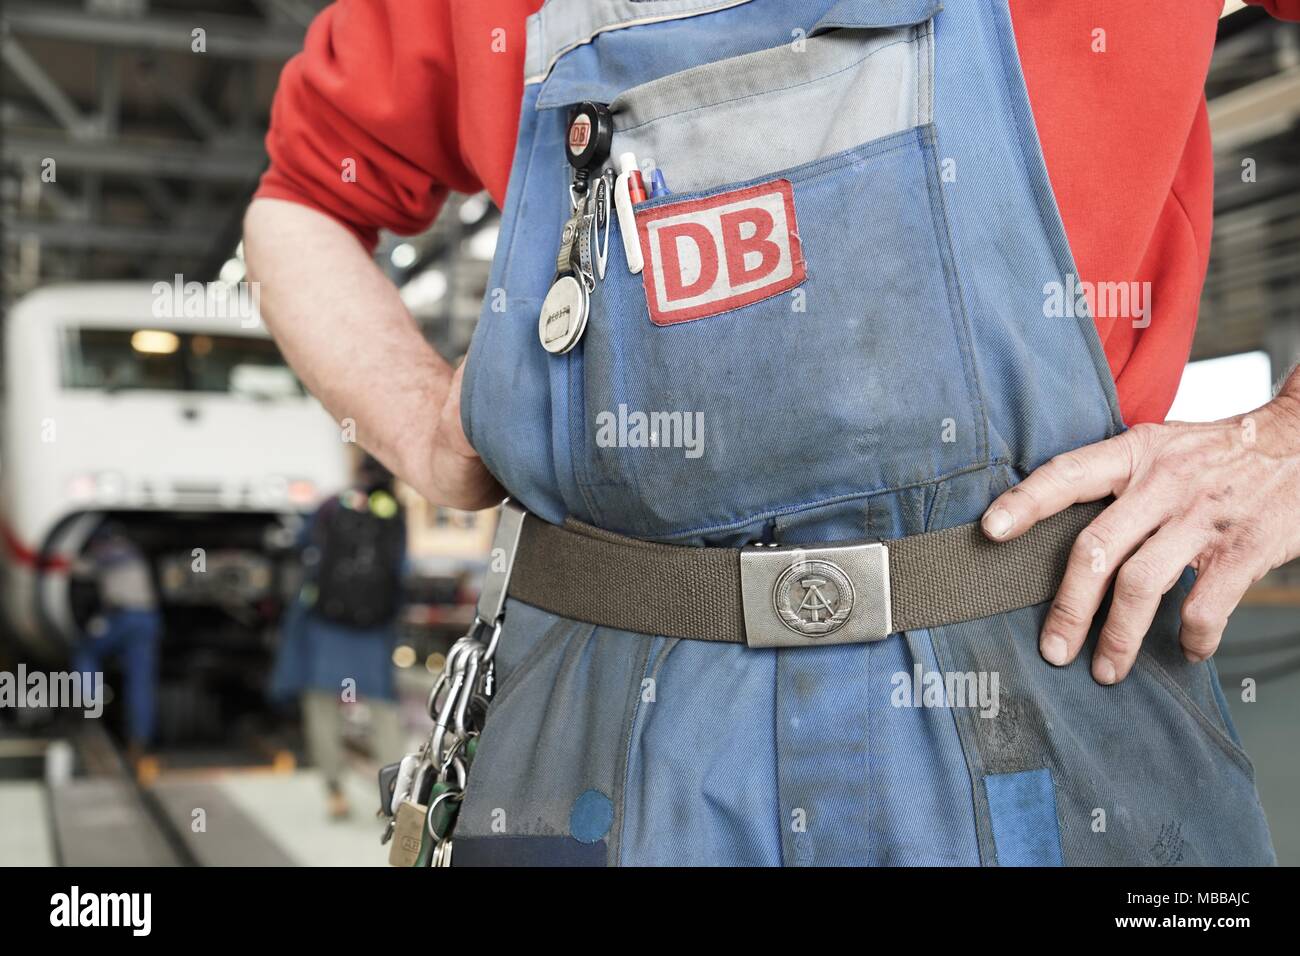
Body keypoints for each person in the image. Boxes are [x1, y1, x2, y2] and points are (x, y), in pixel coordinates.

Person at [244, 1, 1300, 865]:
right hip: (600, 725)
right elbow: (300, 201)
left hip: (1054, 684)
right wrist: (430, 432)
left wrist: (1284, 441)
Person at [271, 455, 407, 819]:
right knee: (383, 711)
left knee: (321, 706)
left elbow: (302, 546)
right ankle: (395, 796)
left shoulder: (332, 505)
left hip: (326, 626)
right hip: (374, 630)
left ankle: (335, 793)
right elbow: (401, 571)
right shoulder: (394, 511)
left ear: (355, 472)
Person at [72, 523, 162, 761]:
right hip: (148, 618)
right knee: (140, 680)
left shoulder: (104, 552)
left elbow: (75, 570)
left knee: (85, 652)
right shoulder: (134, 550)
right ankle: (139, 741)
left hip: (122, 618)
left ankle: (91, 705)